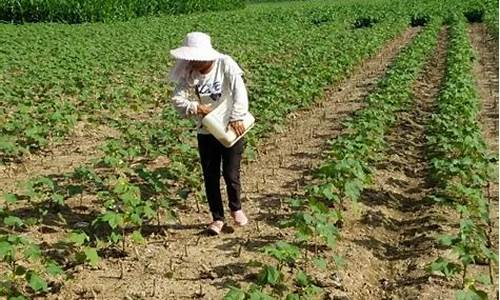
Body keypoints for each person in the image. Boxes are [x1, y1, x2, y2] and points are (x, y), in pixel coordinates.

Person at [169, 32, 249, 235]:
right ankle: (217, 218)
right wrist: (196, 107)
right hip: (207, 131)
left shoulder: (225, 64)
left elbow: (239, 91)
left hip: (232, 126)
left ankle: (236, 207)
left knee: (230, 172)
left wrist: (237, 117)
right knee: (210, 175)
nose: (193, 62)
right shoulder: (190, 73)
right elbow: (177, 99)